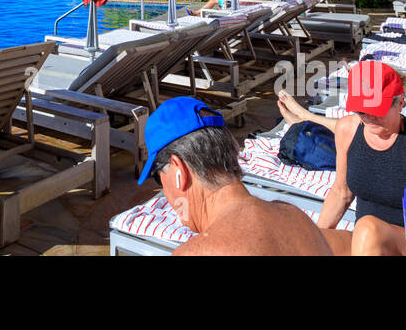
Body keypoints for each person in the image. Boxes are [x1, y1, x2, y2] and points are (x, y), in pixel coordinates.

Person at [138, 97, 334, 255]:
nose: (165, 192)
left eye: (158, 177)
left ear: (179, 170)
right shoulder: (297, 220)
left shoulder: (197, 252)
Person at [317, 60, 406, 255]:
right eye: (361, 111)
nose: (368, 117)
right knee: (310, 239)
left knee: (367, 229)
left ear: (400, 102)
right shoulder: (347, 130)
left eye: (375, 110)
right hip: (365, 242)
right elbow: (341, 192)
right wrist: (315, 236)